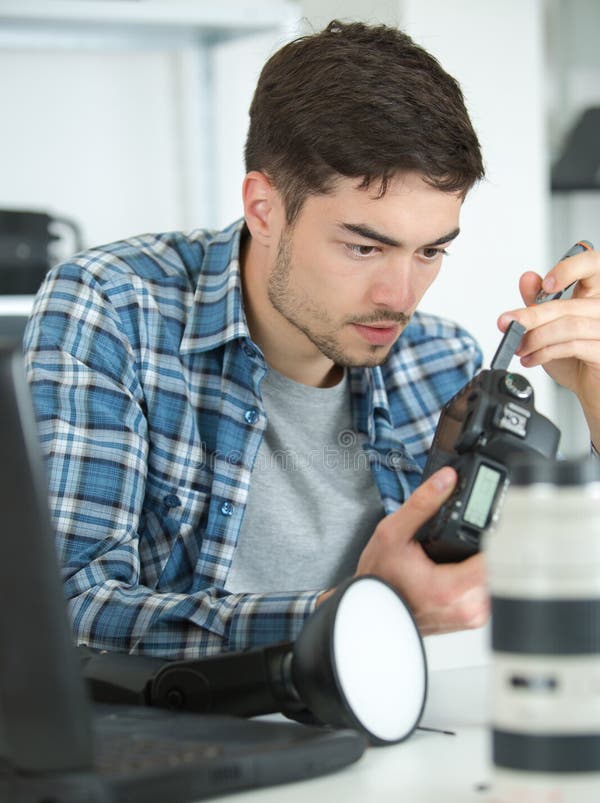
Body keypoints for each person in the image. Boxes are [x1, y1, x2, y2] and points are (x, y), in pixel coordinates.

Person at [24, 20, 600, 659]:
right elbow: (68, 607)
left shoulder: (442, 362)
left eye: (430, 251)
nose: (400, 295)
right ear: (263, 208)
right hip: (189, 744)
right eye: (363, 247)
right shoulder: (112, 308)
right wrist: (358, 612)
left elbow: (547, 593)